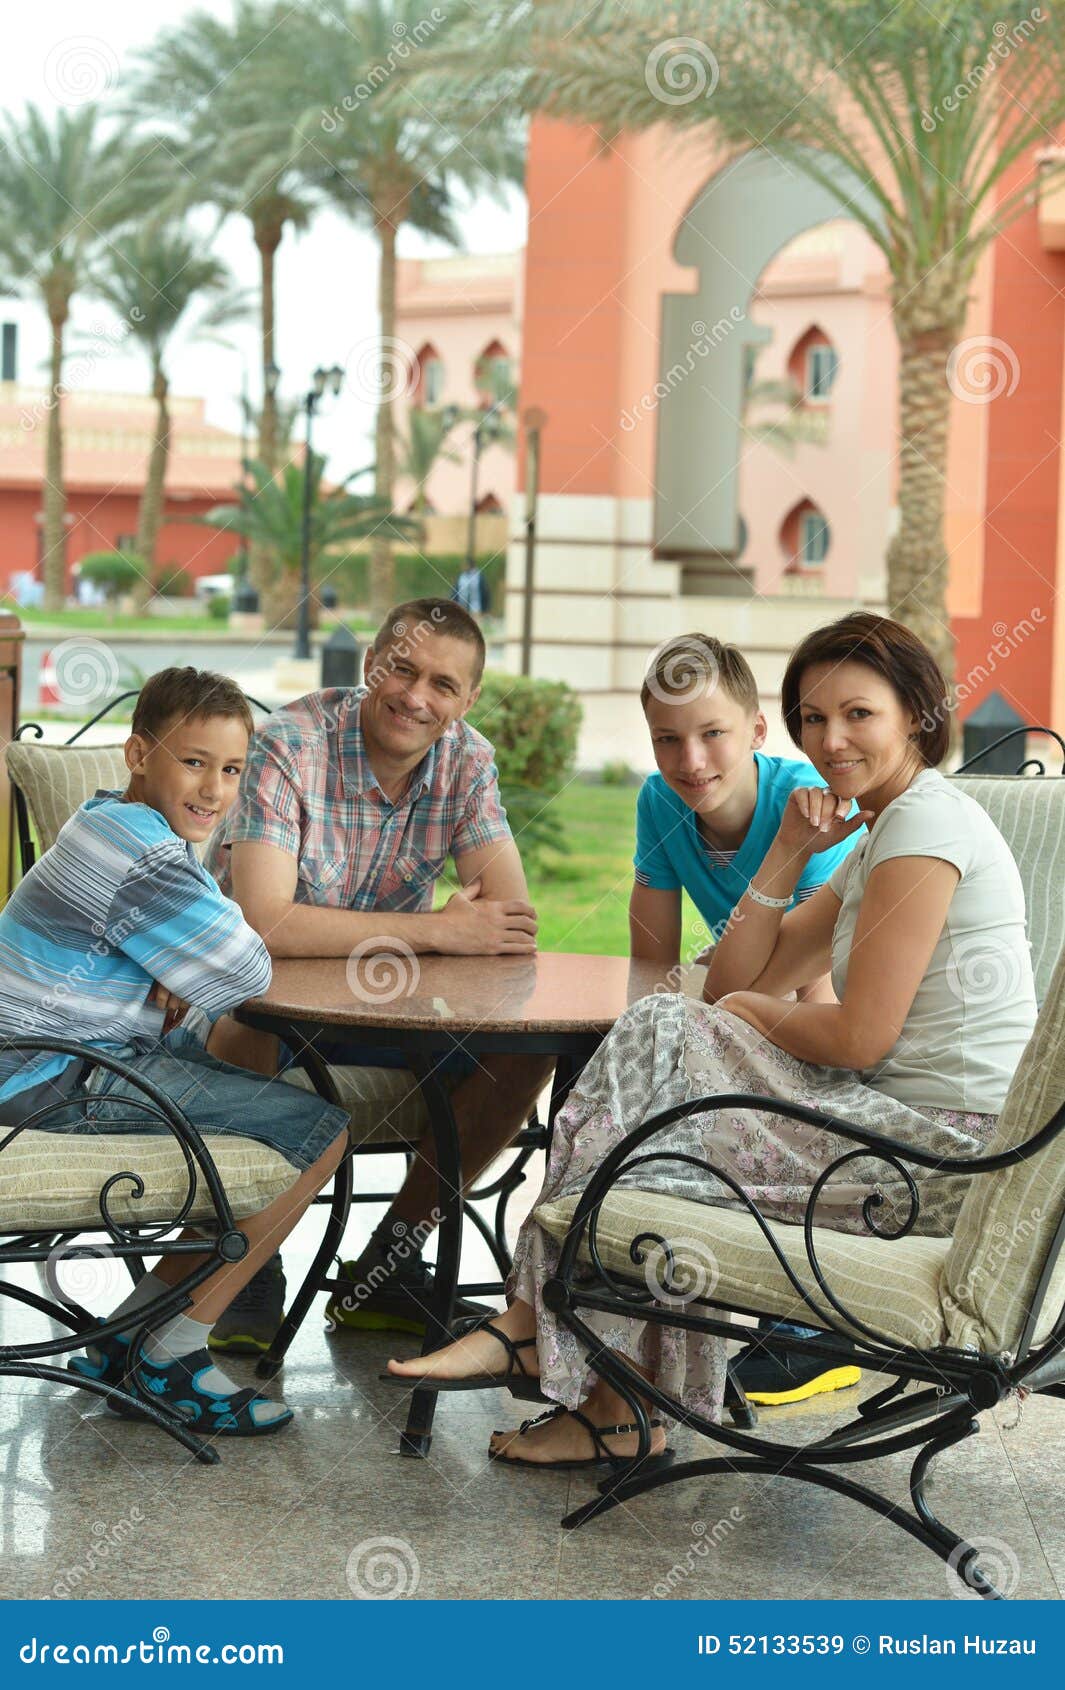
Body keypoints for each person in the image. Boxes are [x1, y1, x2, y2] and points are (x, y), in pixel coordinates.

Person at [385, 612, 1038, 1471]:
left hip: (948, 1162)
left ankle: (547, 1331)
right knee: (657, 1144)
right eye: (813, 717)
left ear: (917, 714)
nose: (830, 740)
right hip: (896, 1137)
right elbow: (739, 974)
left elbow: (851, 1034)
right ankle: (612, 1403)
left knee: (665, 1058)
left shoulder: (923, 827)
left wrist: (746, 1013)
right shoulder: (884, 829)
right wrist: (786, 853)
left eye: (858, 714)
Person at [0, 667, 350, 1437]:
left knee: (261, 1093)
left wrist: (179, 956)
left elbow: (214, 966)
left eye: (231, 770)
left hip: (57, 1059)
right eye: (194, 762)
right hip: (51, 1076)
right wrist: (187, 954)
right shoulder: (145, 854)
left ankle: (130, 1336)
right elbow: (246, 970)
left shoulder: (108, 821)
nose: (214, 789)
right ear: (138, 754)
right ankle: (169, 1351)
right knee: (321, 1133)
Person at [204, 597, 552, 1353]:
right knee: (240, 1021)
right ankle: (242, 1266)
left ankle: (387, 1267)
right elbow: (263, 924)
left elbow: (510, 925)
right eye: (401, 669)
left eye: (442, 684)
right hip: (261, 1002)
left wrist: (458, 935)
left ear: (467, 700)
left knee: (526, 1051)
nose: (415, 697)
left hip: (384, 1009)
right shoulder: (290, 743)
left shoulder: (467, 762)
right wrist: (440, 933)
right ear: (371, 664)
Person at [632, 633, 866, 1404]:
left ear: (758, 730)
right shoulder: (659, 802)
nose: (689, 759)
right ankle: (642, 1302)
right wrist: (687, 1003)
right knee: (644, 1063)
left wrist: (713, 992)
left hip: (841, 1009)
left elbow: (812, 980)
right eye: (667, 739)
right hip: (744, 998)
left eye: (712, 733)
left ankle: (806, 1323)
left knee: (724, 1072)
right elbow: (649, 965)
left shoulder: (808, 807)